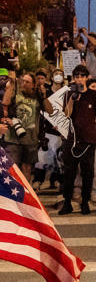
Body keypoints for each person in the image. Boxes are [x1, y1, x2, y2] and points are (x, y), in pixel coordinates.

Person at [60, 64, 96, 215]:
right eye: (77, 76)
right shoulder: (69, 94)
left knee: (88, 173)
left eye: (82, 75)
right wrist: (73, 99)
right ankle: (67, 203)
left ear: (87, 77)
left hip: (88, 140)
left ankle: (85, 202)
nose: (79, 78)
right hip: (72, 139)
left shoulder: (94, 95)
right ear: (74, 78)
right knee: (69, 173)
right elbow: (67, 114)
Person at [2, 72, 47, 183]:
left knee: (27, 168)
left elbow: (49, 110)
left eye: (27, 82)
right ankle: (13, 193)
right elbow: (5, 102)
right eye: (23, 81)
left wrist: (44, 95)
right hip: (13, 138)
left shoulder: (38, 95)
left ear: (33, 85)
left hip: (30, 139)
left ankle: (26, 195)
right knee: (12, 168)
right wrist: (12, 84)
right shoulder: (15, 91)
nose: (24, 83)